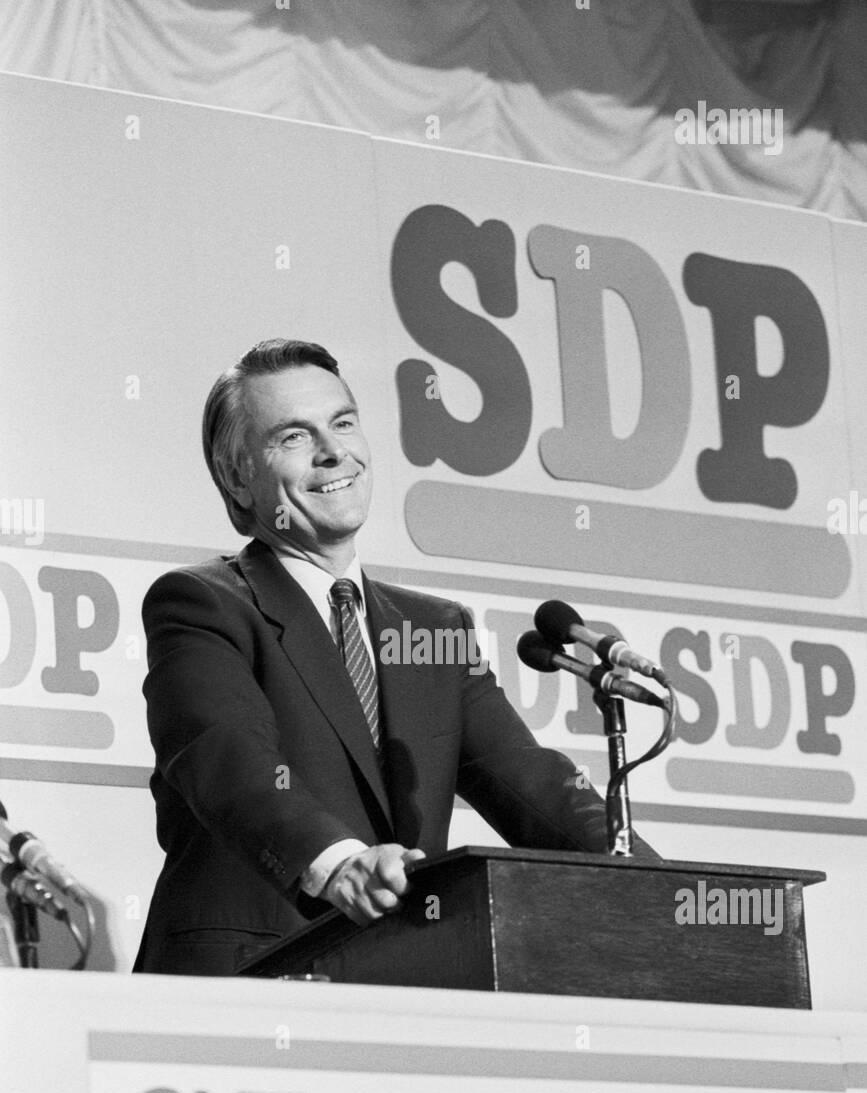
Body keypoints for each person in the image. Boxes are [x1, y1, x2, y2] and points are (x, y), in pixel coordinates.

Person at [133, 338, 656, 976]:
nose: (334, 453)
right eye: (294, 437)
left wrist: (666, 893)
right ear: (239, 477)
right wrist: (337, 861)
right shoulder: (202, 604)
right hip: (246, 978)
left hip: (396, 985)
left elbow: (535, 784)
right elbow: (226, 759)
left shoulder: (434, 630)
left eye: (344, 423)